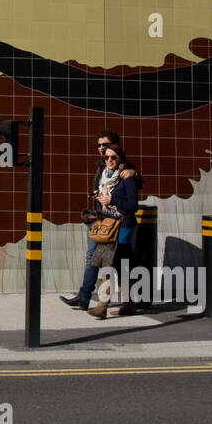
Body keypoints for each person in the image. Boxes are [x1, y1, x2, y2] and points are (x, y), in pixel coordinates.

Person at [62, 131, 137, 313]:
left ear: (118, 152)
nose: (106, 155)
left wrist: (112, 199)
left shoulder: (126, 174)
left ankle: (104, 304)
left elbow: (132, 202)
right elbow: (104, 193)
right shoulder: (103, 171)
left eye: (110, 152)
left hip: (120, 225)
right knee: (101, 261)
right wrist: (97, 199)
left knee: (112, 264)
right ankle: (88, 299)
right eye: (101, 149)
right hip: (102, 222)